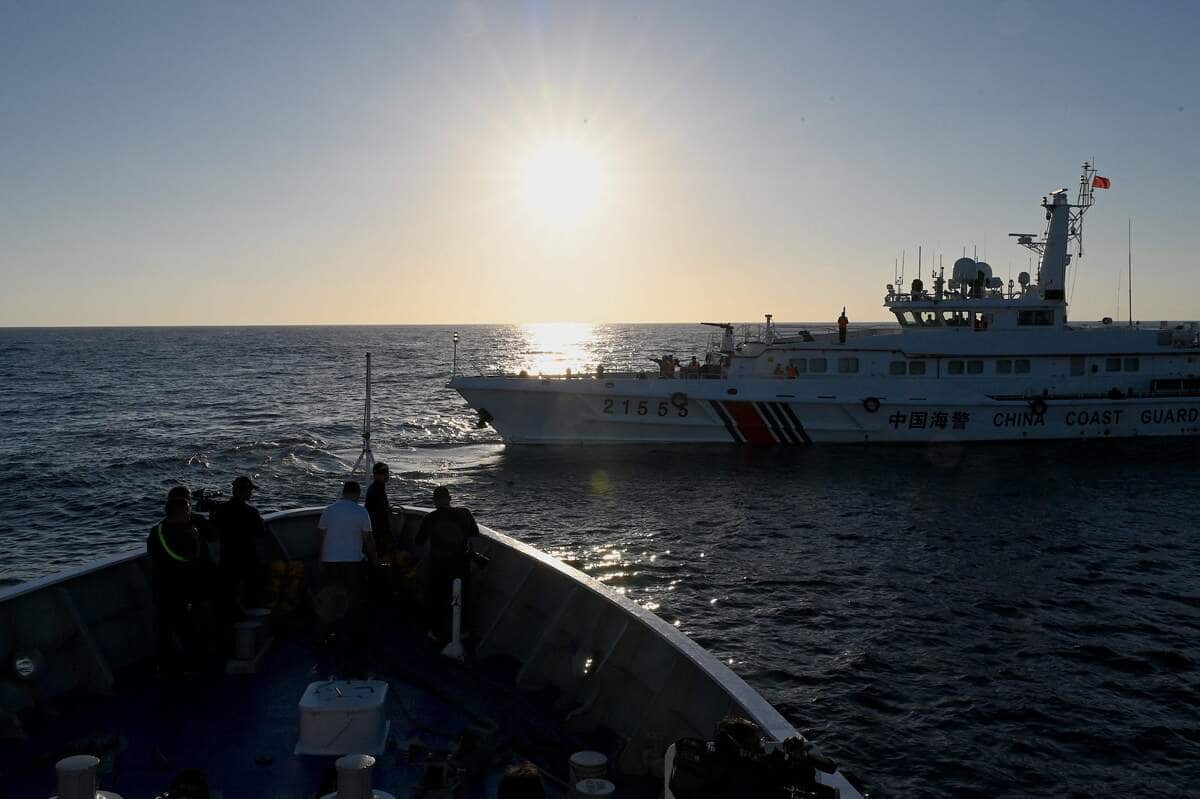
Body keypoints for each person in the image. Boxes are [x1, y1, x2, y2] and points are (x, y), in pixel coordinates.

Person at [148, 491, 212, 675]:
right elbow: (195, 555)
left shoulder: (156, 531)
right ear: (183, 511)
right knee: (188, 630)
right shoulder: (188, 532)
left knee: (164, 632)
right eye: (188, 509)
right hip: (181, 590)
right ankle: (195, 668)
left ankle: (165, 667)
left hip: (161, 589)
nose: (190, 512)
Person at [316, 481, 378, 667]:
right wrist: (375, 560)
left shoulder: (329, 510)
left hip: (330, 561)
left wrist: (320, 558)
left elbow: (321, 534)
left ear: (343, 492)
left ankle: (327, 634)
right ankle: (349, 635)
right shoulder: (361, 512)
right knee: (351, 599)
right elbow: (368, 539)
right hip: (352, 562)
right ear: (358, 494)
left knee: (330, 598)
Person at [415, 486, 479, 641]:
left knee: (436, 598)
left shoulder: (430, 518)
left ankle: (436, 633)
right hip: (461, 564)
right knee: (463, 598)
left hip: (439, 566)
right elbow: (475, 532)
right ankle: (463, 632)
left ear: (434, 501)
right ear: (450, 499)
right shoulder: (464, 513)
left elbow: (419, 541)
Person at [211, 476, 265, 618]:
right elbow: (261, 532)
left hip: (227, 557)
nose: (251, 494)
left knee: (228, 594)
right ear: (245, 491)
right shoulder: (251, 512)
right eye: (250, 491)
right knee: (248, 593)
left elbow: (213, 532)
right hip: (247, 558)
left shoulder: (220, 509)